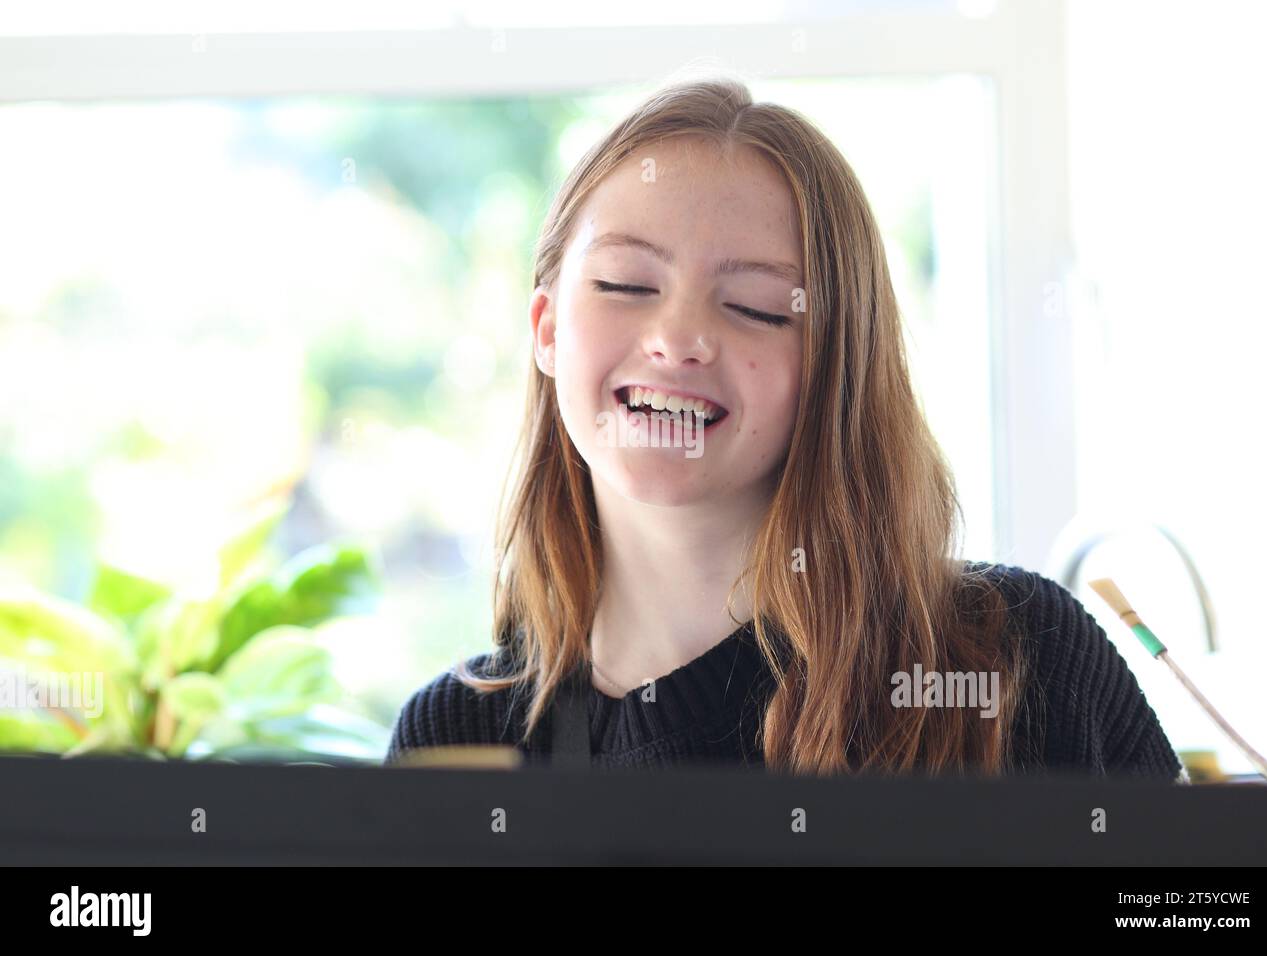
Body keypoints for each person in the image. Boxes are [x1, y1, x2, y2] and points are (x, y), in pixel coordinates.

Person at [386, 75, 1183, 780]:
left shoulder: (1019, 661)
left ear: (836, 362)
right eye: (627, 283)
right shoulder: (457, 737)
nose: (679, 338)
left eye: (757, 307)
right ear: (548, 329)